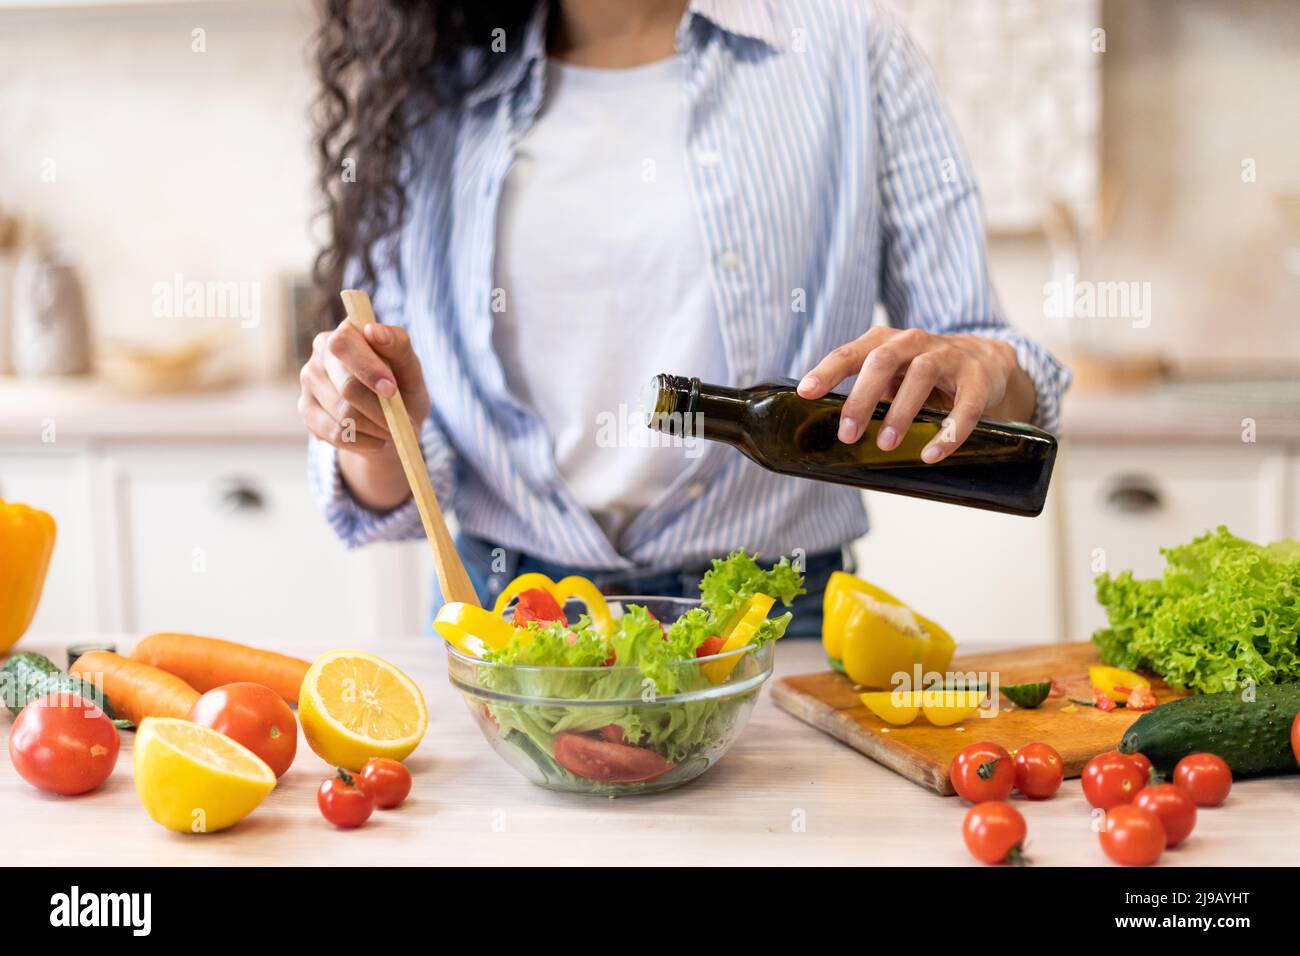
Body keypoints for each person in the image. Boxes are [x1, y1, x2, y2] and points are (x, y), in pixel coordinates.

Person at [298, 0, 1070, 636]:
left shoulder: (847, 47)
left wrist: (985, 368)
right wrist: (366, 427)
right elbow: (398, 476)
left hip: (771, 620)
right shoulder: (429, 88)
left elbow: (985, 367)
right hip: (508, 621)